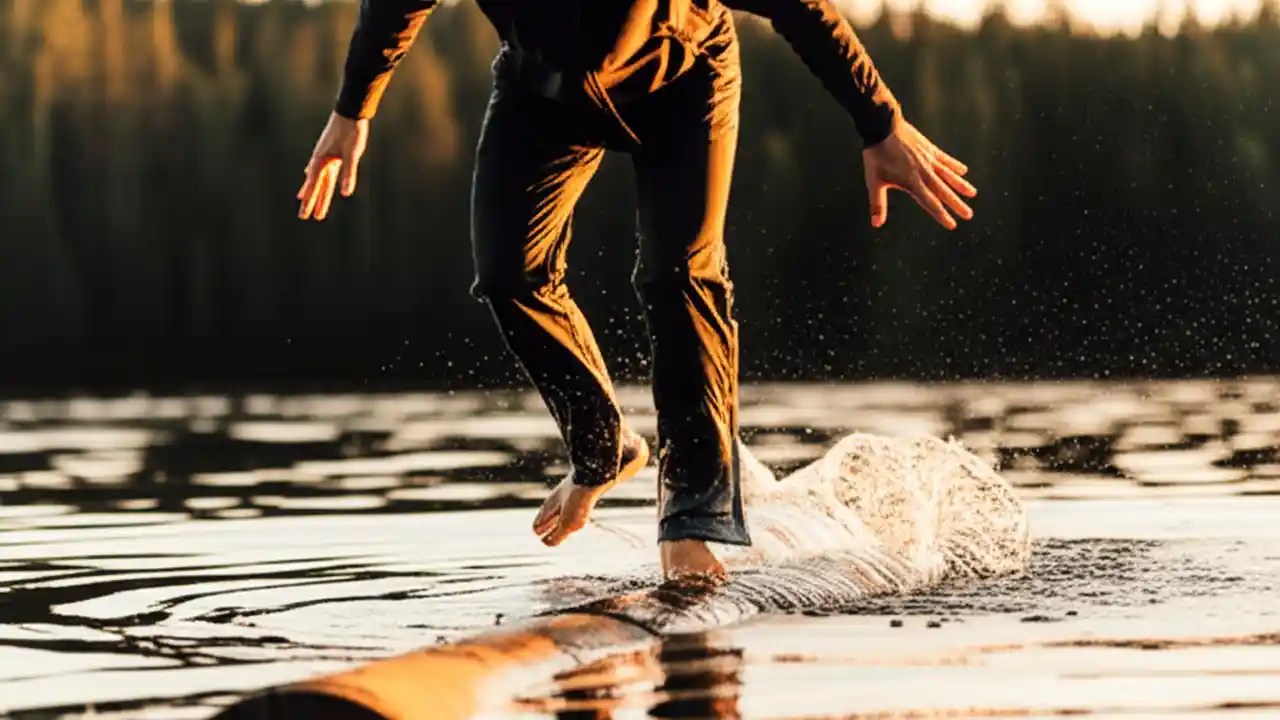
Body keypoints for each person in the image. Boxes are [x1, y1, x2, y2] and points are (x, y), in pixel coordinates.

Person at [297, 0, 977, 580]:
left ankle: (693, 521)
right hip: (543, 94)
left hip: (684, 79)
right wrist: (354, 109)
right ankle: (603, 449)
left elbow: (800, 8)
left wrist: (880, 123)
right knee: (509, 274)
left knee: (681, 273)